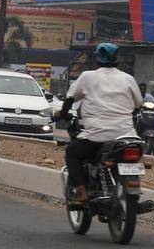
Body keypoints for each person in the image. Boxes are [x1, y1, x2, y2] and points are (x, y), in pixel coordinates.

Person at [58, 43, 142, 205]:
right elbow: (138, 104)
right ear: (118, 60)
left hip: (97, 137)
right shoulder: (128, 79)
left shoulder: (87, 77)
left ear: (96, 60)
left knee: (72, 153)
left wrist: (62, 113)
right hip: (127, 137)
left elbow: (70, 99)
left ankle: (83, 191)